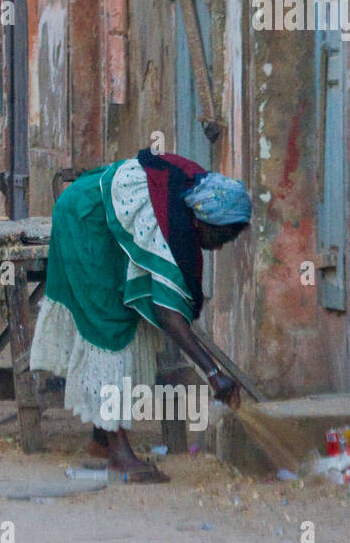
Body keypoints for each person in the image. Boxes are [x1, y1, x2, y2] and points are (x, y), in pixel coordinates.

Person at [29, 148, 252, 483]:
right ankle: (119, 456)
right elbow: (168, 315)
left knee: (126, 315)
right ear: (201, 219)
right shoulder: (171, 223)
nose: (218, 248)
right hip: (85, 222)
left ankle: (101, 440)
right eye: (219, 237)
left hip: (101, 216)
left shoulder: (191, 195)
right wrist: (213, 372)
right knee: (110, 328)